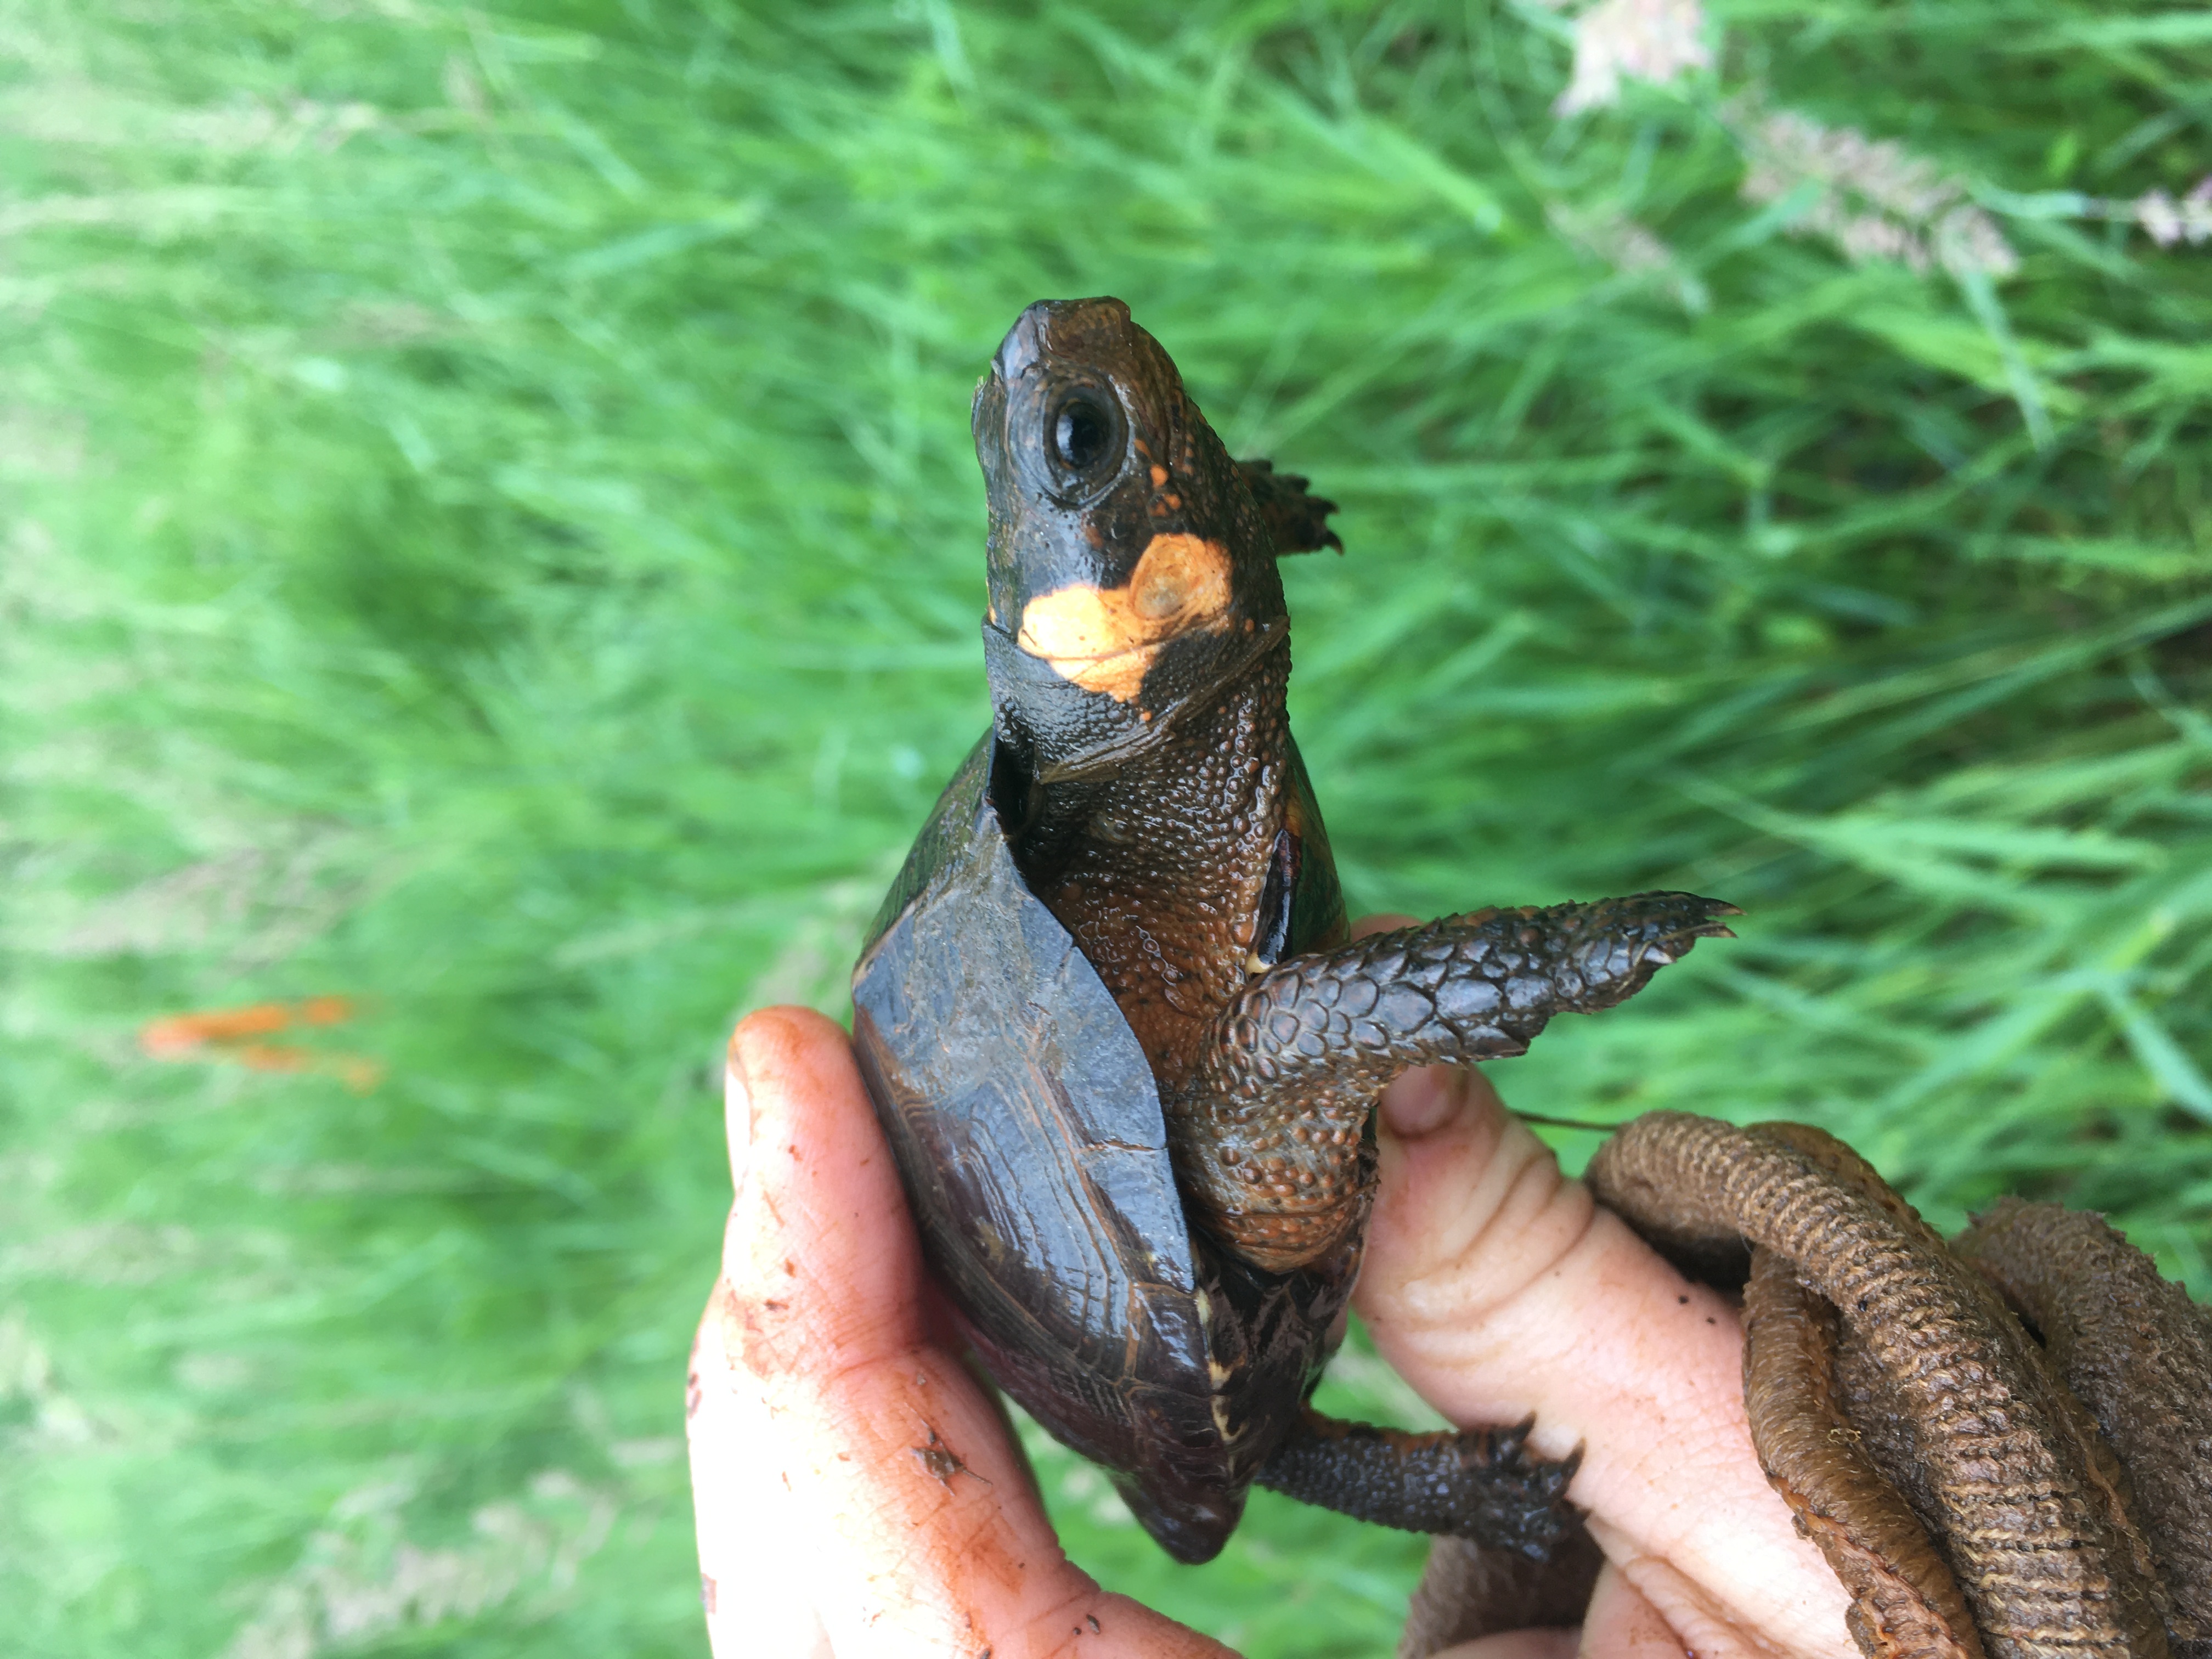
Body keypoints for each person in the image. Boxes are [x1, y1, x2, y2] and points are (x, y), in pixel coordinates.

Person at [690, 919, 1855, 1659]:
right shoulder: (1254, 1128)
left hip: (1122, 1196)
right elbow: (1282, 1036)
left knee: (1288, 1058)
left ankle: (1475, 1489)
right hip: (1163, 1235)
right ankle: (1474, 1486)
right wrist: (1552, 963)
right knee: (1290, 1041)